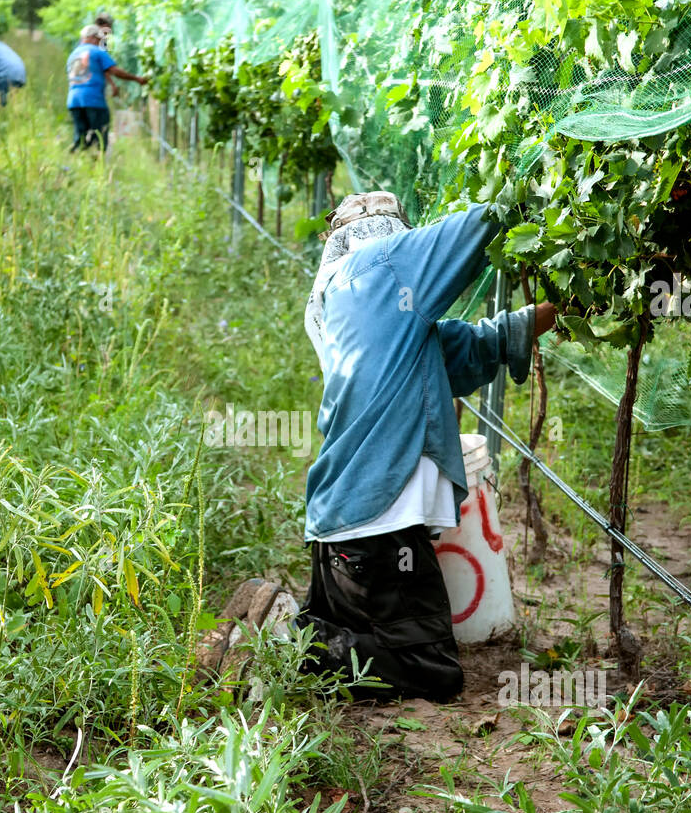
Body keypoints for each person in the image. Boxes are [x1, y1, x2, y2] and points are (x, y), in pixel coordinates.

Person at [197, 192, 557, 702]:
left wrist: (564, 309)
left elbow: (477, 347)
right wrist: (543, 185)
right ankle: (278, 643)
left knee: (364, 644)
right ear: (389, 231)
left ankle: (286, 629)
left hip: (346, 527)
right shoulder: (380, 266)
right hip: (380, 527)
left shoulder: (363, 313)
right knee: (433, 672)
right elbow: (485, 221)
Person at [66, 24, 147, 152]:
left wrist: (112, 85)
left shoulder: (73, 54)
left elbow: (96, 70)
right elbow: (114, 70)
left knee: (80, 137)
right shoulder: (97, 51)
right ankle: (99, 164)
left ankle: (77, 160)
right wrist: (136, 79)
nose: (99, 42)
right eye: (98, 40)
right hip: (93, 100)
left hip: (74, 101)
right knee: (100, 136)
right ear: (92, 38)